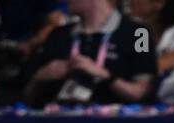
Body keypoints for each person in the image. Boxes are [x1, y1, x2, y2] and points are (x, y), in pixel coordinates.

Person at [24, 0, 156, 107]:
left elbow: (141, 92)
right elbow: (27, 98)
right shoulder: (58, 35)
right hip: (60, 122)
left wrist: (105, 76)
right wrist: (39, 78)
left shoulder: (140, 34)